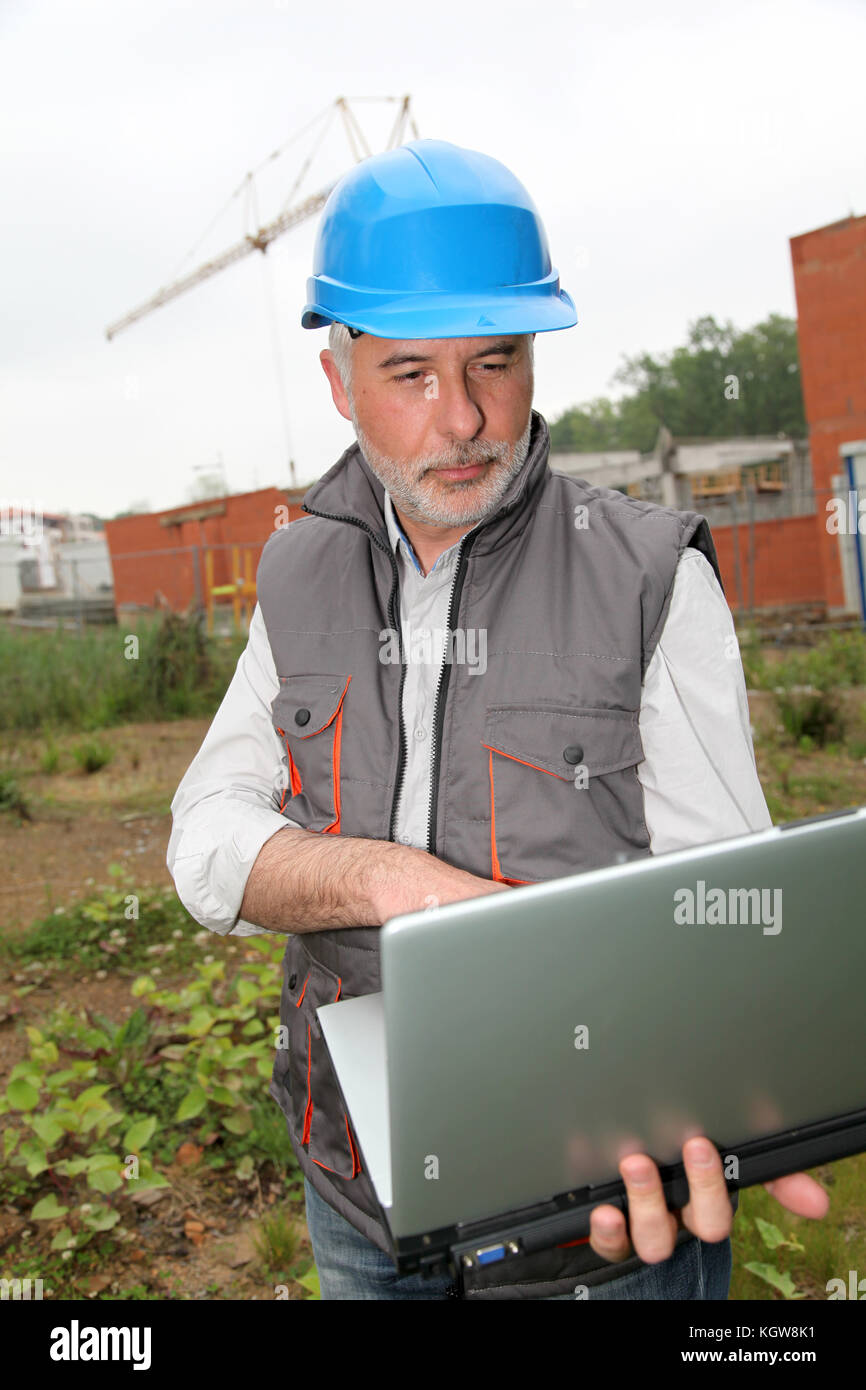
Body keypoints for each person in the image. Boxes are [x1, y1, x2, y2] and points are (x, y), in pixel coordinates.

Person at [167, 138, 828, 1300]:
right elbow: (206, 836)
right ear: (338, 380)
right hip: (358, 1206)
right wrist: (386, 880)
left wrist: (687, 1108)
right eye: (410, 374)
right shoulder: (296, 578)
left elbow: (722, 917)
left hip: (588, 1214)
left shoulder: (645, 576)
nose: (463, 417)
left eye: (494, 362)